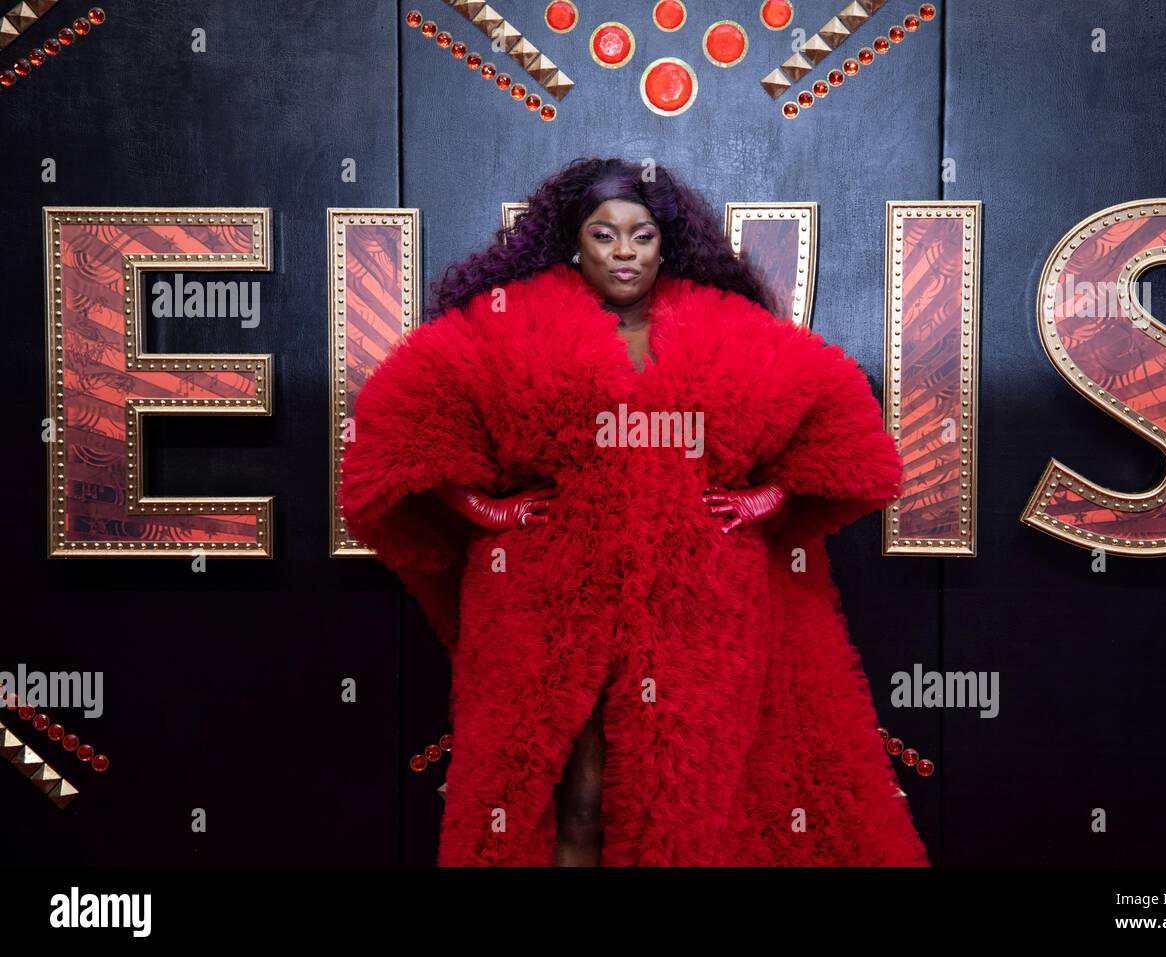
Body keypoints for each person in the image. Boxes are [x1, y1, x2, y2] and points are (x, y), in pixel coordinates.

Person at [339, 156, 929, 867]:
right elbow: (401, 435)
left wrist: (762, 500)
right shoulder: (508, 324)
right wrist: (490, 515)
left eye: (642, 235)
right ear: (572, 240)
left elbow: (841, 431)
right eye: (604, 234)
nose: (625, 252)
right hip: (551, 603)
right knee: (571, 798)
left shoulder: (728, 327)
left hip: (694, 609)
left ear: (665, 242)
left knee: (686, 799)